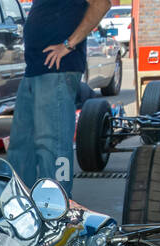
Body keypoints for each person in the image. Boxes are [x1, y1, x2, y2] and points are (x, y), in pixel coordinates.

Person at [7, 0, 111, 196]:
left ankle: (57, 207)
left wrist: (68, 44)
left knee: (53, 145)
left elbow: (102, 4)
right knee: (21, 147)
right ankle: (20, 204)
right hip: (33, 70)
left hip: (58, 71)